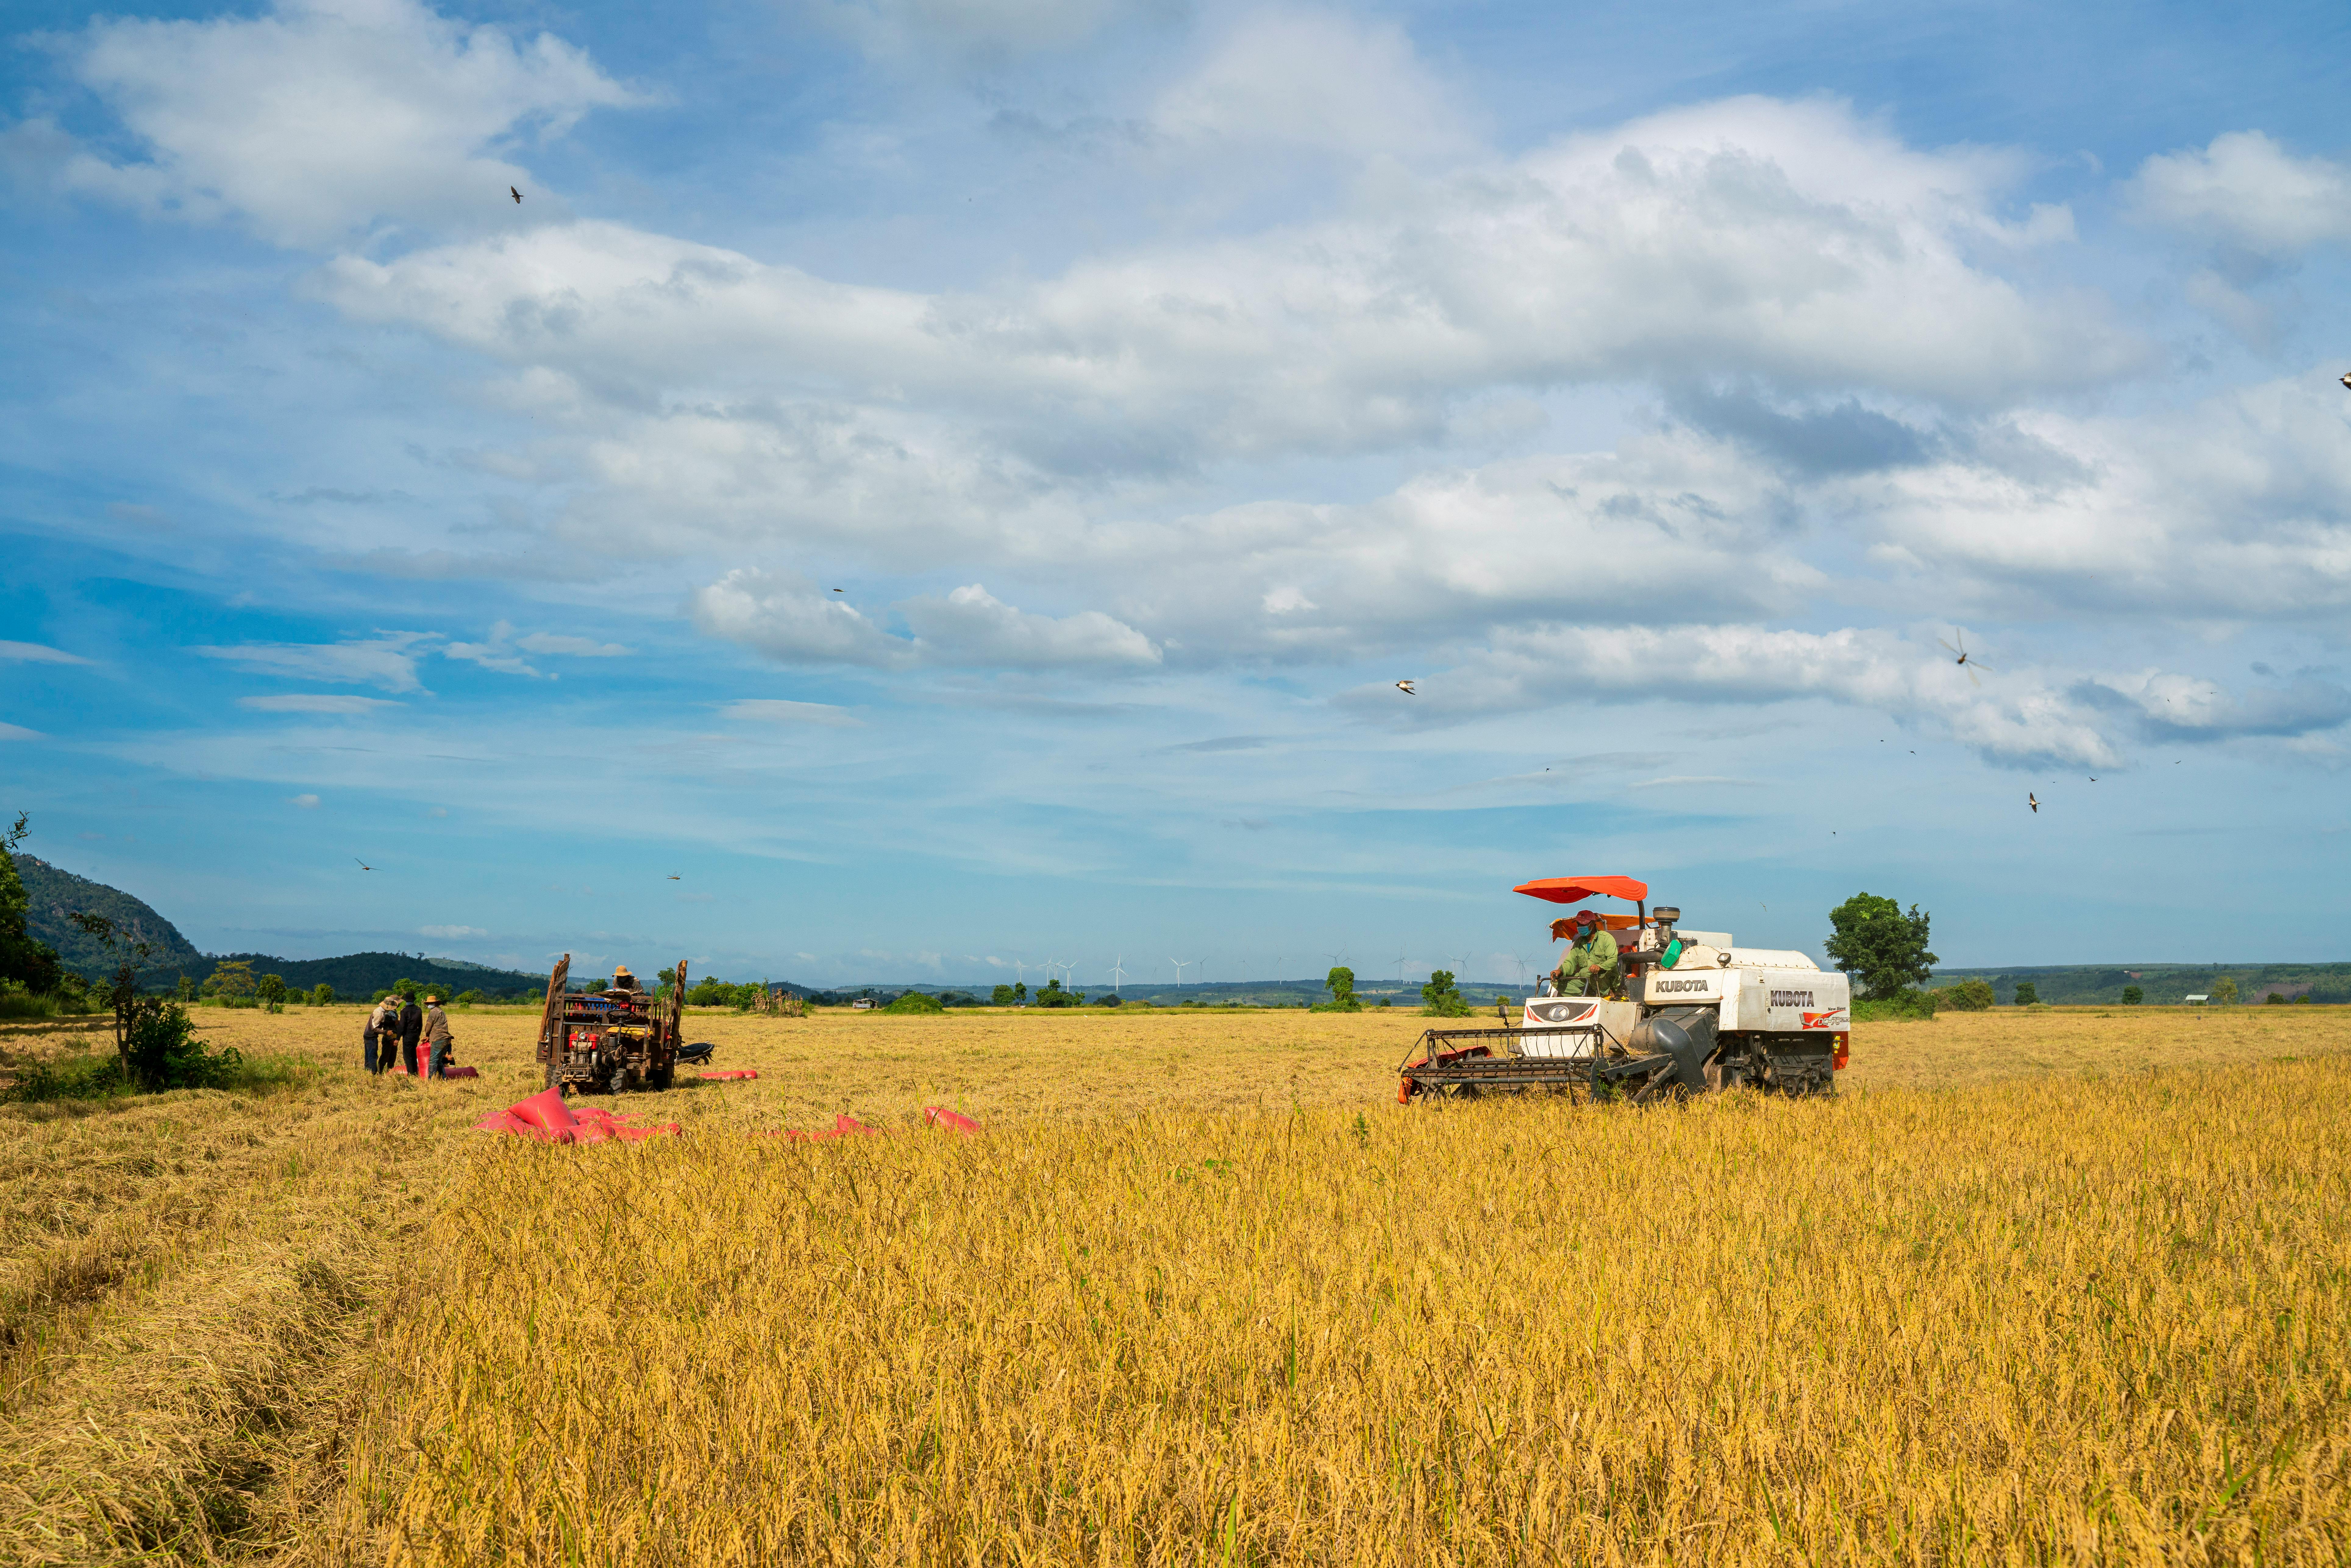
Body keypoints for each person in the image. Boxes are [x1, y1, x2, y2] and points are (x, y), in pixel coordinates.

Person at [1552, 910, 1622, 997]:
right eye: (1579, 924)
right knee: (1555, 980)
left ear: (1593, 924)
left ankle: (1607, 993)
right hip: (1586, 980)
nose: (1580, 927)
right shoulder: (1578, 943)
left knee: (1585, 972)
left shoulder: (1606, 938)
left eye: (1583, 924)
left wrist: (1600, 967)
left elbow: (1613, 960)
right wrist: (1560, 971)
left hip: (1605, 979)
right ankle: (1584, 997)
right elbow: (1570, 963)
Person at [421, 993, 453, 1079]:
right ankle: (444, 1078)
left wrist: (427, 1035)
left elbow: (429, 1026)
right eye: (428, 1004)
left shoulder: (434, 1012)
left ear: (435, 1004)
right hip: (445, 1038)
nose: (428, 1005)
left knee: (433, 1060)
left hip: (438, 1039)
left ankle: (431, 1079)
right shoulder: (441, 1011)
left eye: (430, 1004)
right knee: (439, 1061)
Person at [364, 996, 397, 1076]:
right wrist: (386, 1032)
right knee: (373, 1056)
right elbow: (374, 1028)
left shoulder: (381, 1012)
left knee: (368, 1055)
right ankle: (373, 1073)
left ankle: (368, 1070)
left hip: (369, 1035)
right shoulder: (380, 1014)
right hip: (371, 1036)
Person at [398, 992, 424, 1076]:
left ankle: (411, 1074)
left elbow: (402, 1026)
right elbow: (421, 1025)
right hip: (415, 1035)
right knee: (414, 1055)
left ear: (406, 1000)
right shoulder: (419, 1010)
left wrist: (397, 1038)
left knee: (408, 1056)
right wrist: (418, 1035)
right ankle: (415, 1073)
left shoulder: (404, 1010)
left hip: (407, 1036)